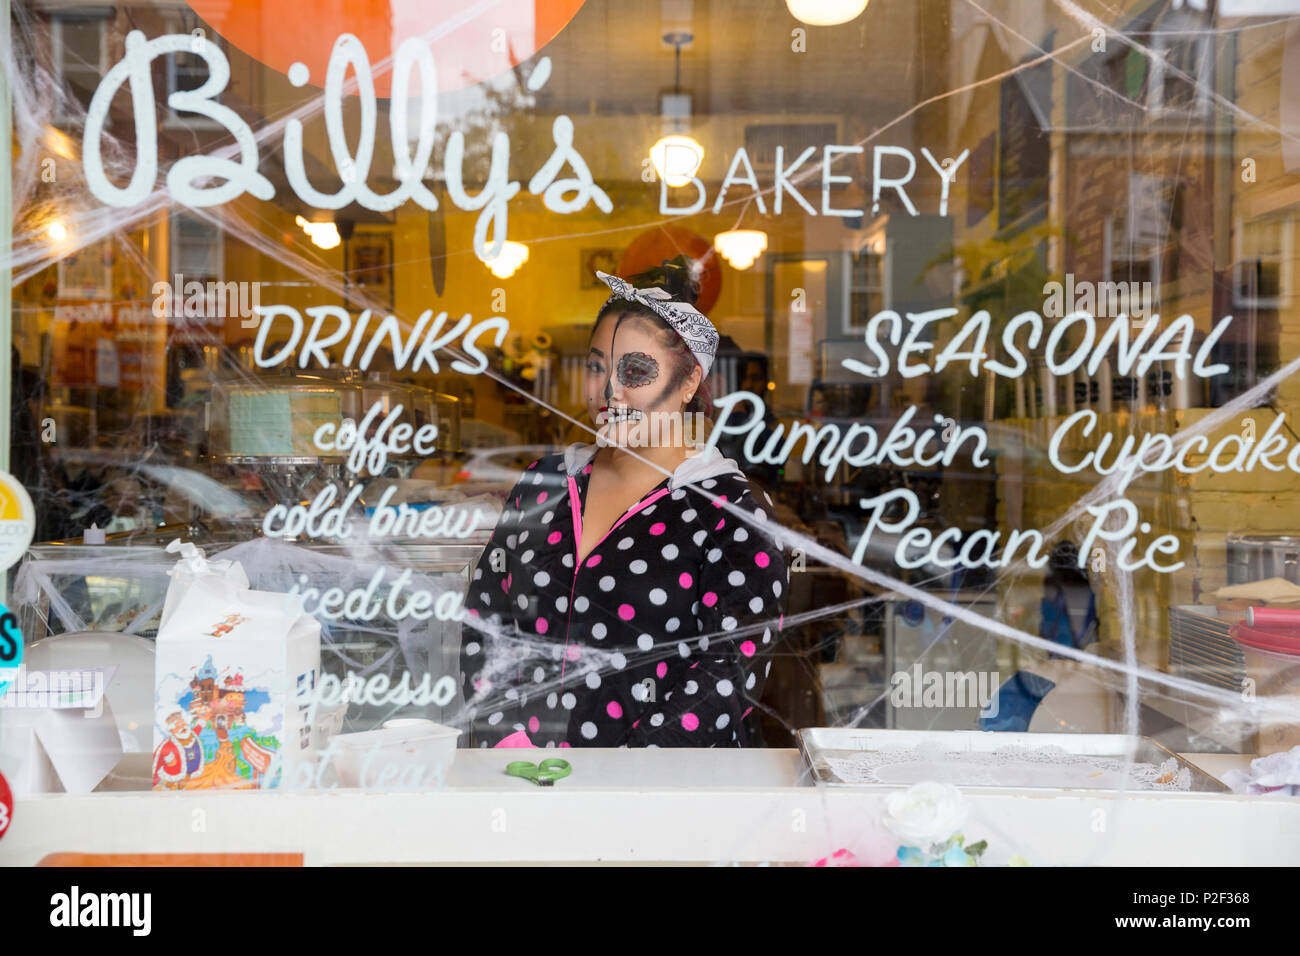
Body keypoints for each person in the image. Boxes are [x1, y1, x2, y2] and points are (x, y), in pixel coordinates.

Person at [460, 264, 788, 748]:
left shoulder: (729, 511)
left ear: (688, 382)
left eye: (634, 370)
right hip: (527, 785)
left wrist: (627, 776)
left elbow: (725, 678)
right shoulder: (545, 483)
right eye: (596, 366)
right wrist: (506, 739)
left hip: (661, 803)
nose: (609, 390)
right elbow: (486, 617)